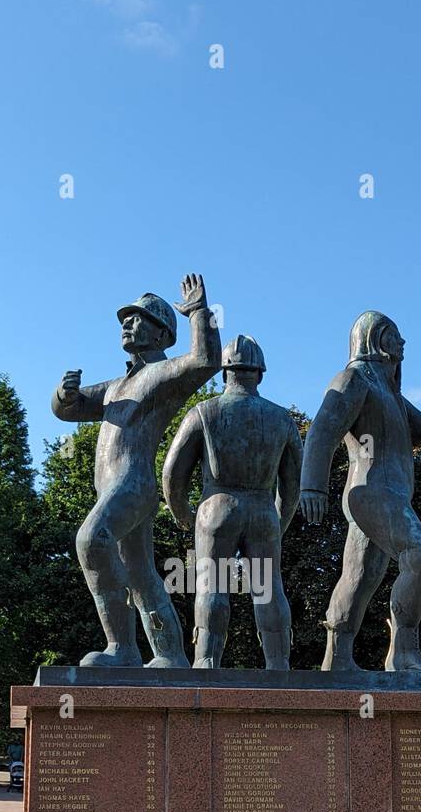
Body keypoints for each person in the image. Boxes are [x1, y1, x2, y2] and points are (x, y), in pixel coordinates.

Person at [52, 274, 221, 666]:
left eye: (138, 319)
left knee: (91, 540)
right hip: (113, 487)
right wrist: (64, 396)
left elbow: (205, 359)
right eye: (125, 320)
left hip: (133, 483)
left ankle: (122, 648)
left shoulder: (163, 374)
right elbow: (71, 411)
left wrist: (198, 312)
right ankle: (171, 656)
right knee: (141, 573)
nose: (127, 324)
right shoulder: (116, 386)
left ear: (162, 334)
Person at [300, 310, 421, 673]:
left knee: (359, 577)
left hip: (387, 496)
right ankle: (404, 652)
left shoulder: (391, 393)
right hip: (372, 493)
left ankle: (337, 660)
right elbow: (322, 430)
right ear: (377, 340)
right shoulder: (354, 379)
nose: (403, 343)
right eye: (395, 335)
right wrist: (312, 486)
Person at [163, 334, 302, 669]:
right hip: (262, 511)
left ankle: (206, 661)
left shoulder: (203, 413)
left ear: (224, 372)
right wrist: (278, 521)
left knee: (212, 587)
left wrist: (184, 515)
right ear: (260, 373)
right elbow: (292, 484)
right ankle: (278, 664)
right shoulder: (281, 419)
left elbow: (171, 473)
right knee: (268, 588)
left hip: (215, 508)